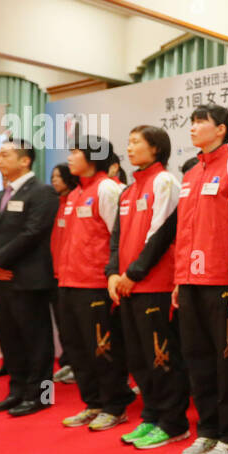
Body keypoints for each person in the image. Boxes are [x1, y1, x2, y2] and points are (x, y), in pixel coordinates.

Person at [173, 104, 228, 454]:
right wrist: (179, 280)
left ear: (221, 129)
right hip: (191, 281)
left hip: (224, 282)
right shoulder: (191, 173)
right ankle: (207, 430)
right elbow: (184, 231)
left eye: (200, 122)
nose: (193, 128)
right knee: (198, 360)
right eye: (191, 122)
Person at [106, 125, 189, 450]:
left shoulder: (164, 182)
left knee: (161, 357)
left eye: (136, 142)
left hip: (152, 285)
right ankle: (151, 416)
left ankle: (173, 422)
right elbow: (116, 237)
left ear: (156, 148)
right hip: (127, 286)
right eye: (128, 142)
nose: (129, 148)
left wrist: (134, 273)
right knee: (138, 359)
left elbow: (161, 235)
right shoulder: (127, 191)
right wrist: (114, 273)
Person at [54, 137, 132, 430]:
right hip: (69, 282)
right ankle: (93, 402)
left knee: (103, 348)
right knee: (77, 349)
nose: (70, 158)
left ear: (93, 156)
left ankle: (114, 406)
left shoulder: (108, 188)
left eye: (76, 152)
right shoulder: (74, 194)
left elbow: (120, 238)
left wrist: (116, 278)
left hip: (97, 284)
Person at [0, 139, 58, 417]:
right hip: (1, 279)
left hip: (29, 279)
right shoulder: (0, 196)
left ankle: (42, 395)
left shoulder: (43, 192)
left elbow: (33, 233)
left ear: (25, 160)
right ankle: (17, 392)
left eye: (5, 155)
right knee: (10, 339)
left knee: (37, 343)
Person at [49, 162, 78, 384]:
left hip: (76, 274)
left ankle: (78, 365)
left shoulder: (77, 199)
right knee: (64, 326)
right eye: (52, 176)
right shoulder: (55, 203)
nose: (54, 180)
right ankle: (70, 363)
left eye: (58, 176)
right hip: (56, 273)